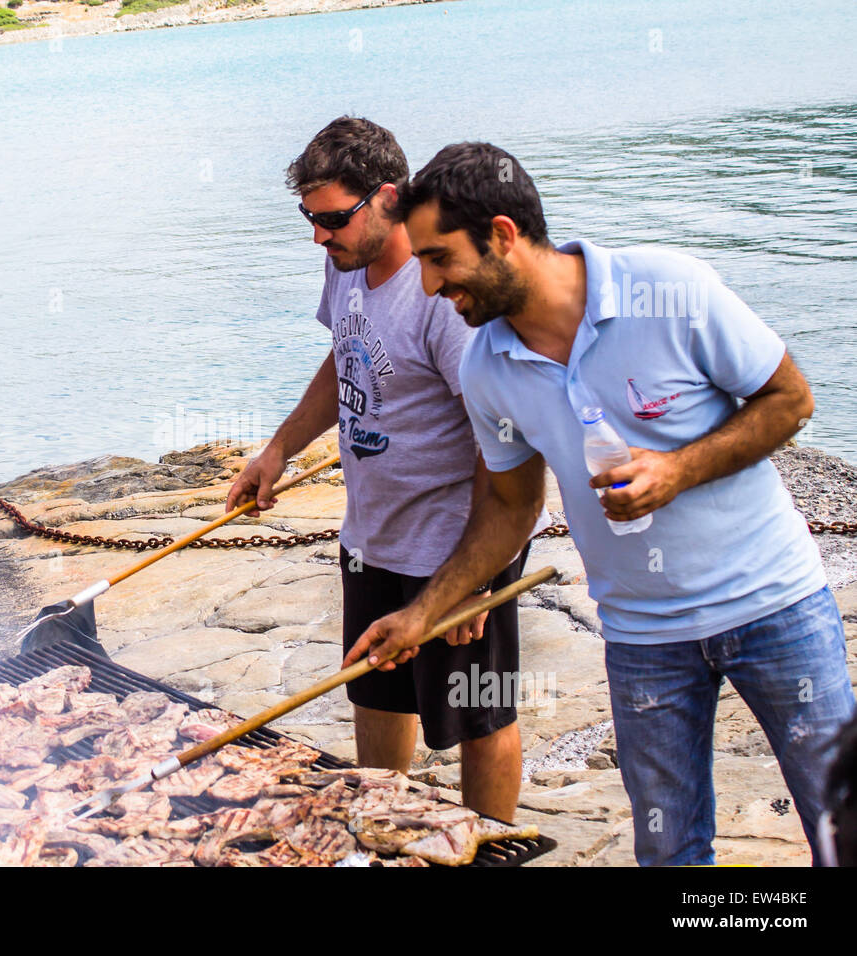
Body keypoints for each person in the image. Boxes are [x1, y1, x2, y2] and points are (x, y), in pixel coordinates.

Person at [346, 140, 857, 864]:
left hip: (774, 604)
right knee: (670, 850)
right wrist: (424, 612)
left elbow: (789, 400)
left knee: (842, 827)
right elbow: (507, 507)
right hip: (642, 639)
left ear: (501, 235)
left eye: (438, 258)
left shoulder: (668, 286)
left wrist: (676, 469)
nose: (428, 285)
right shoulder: (488, 365)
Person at [227, 118, 540, 823]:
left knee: (477, 717)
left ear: (387, 198)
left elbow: (505, 440)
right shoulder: (344, 263)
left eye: (333, 218)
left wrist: (480, 575)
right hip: (372, 537)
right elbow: (345, 355)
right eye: (309, 218)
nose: (319, 235)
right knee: (376, 689)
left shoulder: (445, 300)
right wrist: (280, 449)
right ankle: (384, 828)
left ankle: (486, 848)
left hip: (453, 545)